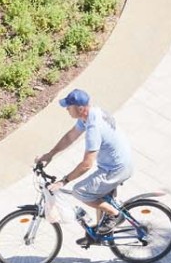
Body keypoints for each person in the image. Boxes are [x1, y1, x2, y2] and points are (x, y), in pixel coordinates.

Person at [39, 88, 135, 245]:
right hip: (116, 162)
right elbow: (71, 136)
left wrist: (63, 181)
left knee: (80, 191)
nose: (66, 110)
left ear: (80, 108)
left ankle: (115, 215)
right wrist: (50, 154)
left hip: (116, 169)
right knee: (95, 192)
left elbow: (87, 164)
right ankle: (100, 234)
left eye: (68, 107)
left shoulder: (93, 128)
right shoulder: (91, 114)